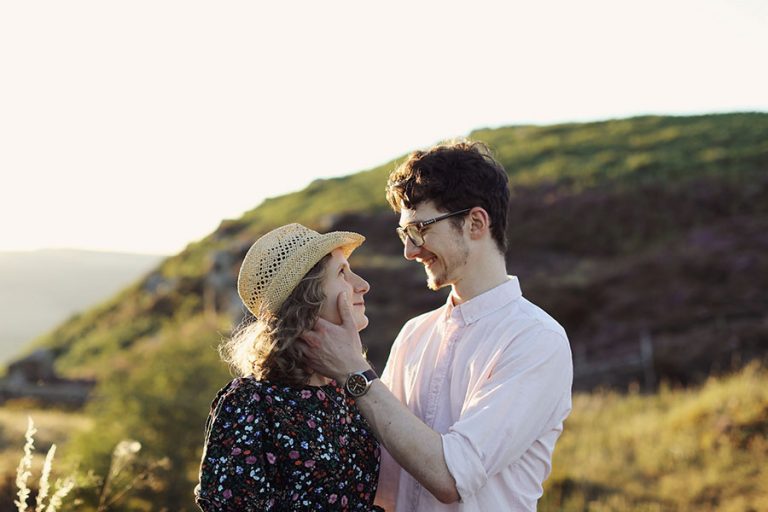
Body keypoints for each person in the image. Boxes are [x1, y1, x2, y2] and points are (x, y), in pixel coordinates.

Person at [302, 141, 574, 511]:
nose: (410, 251)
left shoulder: (536, 340)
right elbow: (382, 479)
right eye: (404, 234)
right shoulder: (414, 334)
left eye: (420, 229)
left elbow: (451, 476)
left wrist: (353, 371)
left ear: (475, 223)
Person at [195, 223, 384, 511]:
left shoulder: (349, 391)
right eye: (341, 273)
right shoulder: (251, 402)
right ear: (307, 297)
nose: (362, 284)